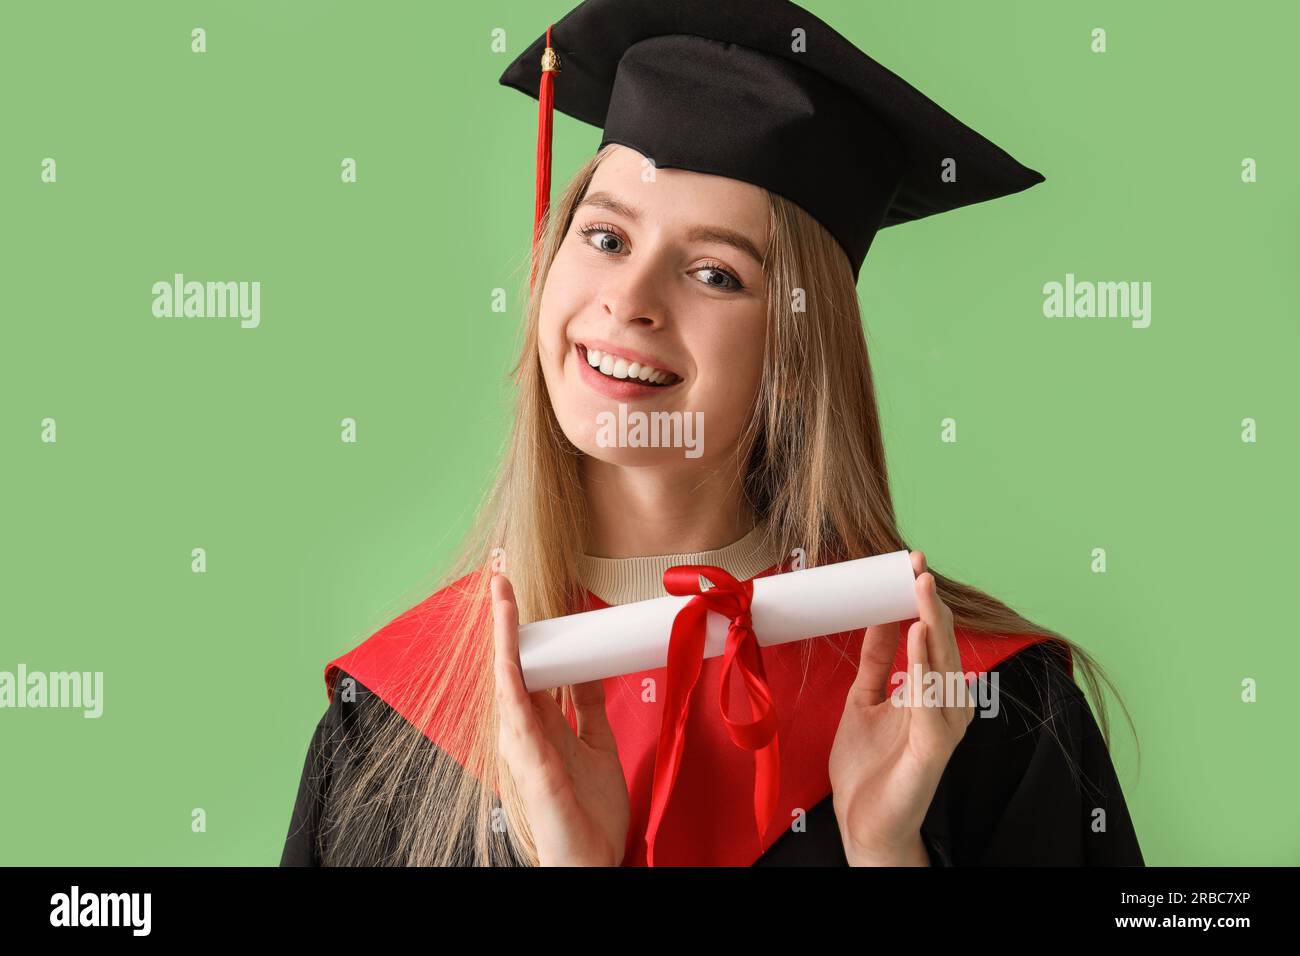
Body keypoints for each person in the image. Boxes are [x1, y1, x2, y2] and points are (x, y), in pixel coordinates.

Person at [280, 0, 1144, 867]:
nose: (630, 300)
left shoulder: (978, 710)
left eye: (714, 272)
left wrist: (887, 851)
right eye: (608, 235)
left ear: (799, 353)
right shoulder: (392, 730)